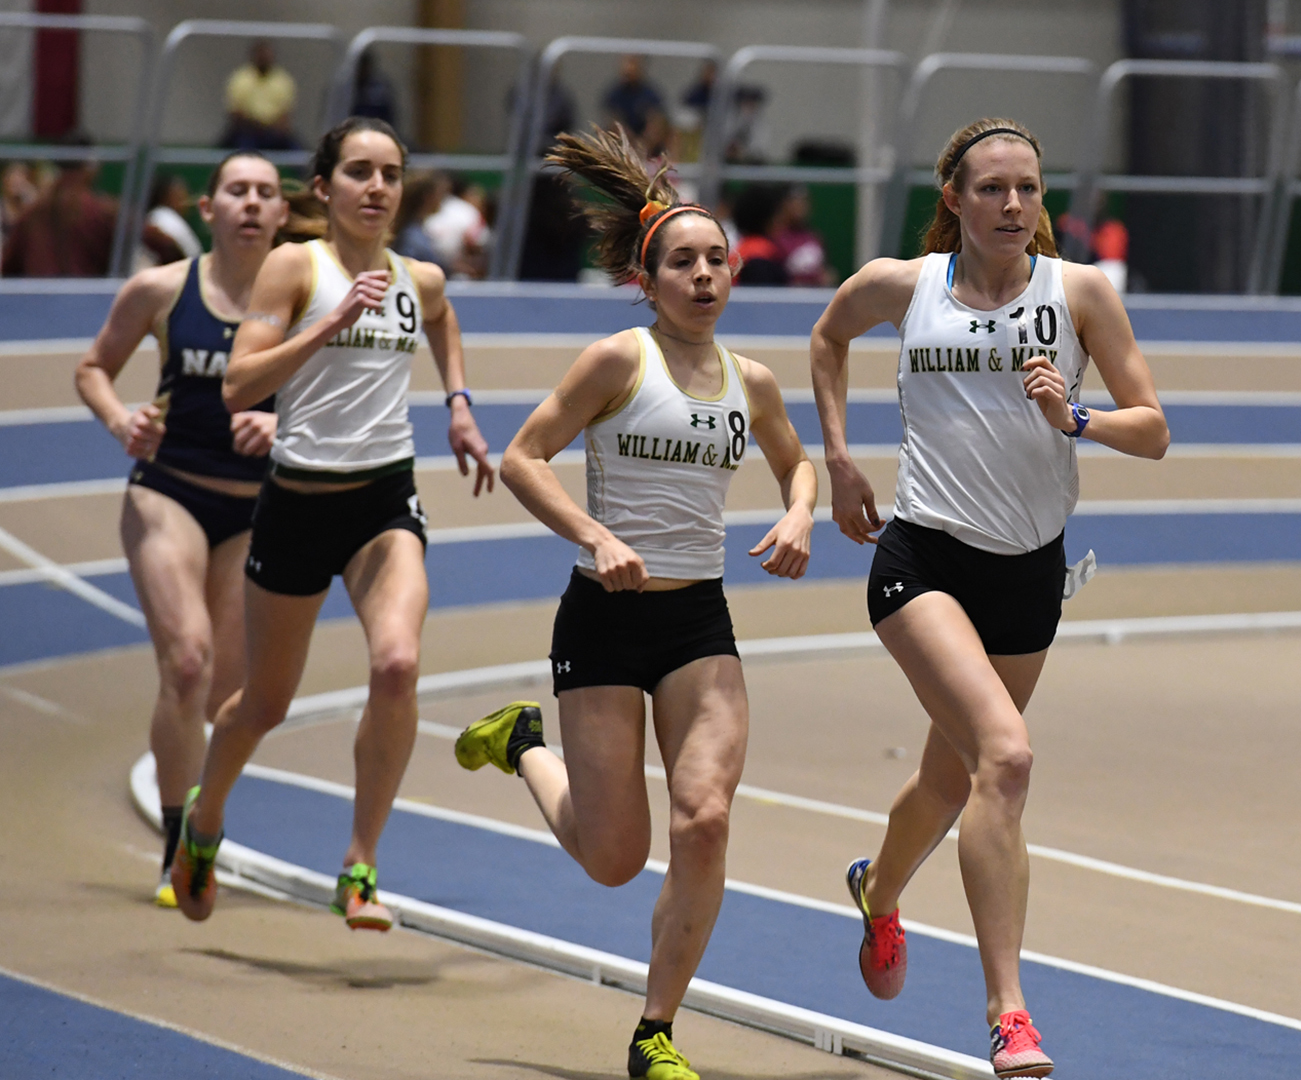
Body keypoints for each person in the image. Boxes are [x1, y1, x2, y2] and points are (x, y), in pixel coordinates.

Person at [453, 126, 816, 1080]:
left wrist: (801, 514)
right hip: (605, 621)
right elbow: (522, 456)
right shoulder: (618, 361)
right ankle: (524, 740)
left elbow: (797, 462)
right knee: (614, 858)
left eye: (716, 260)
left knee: (705, 820)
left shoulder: (755, 383)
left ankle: (655, 1030)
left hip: (699, 626)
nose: (704, 275)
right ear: (647, 281)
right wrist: (594, 536)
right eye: (682, 263)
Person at [810, 117, 1168, 1078]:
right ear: (955, 201)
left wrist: (1077, 416)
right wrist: (840, 461)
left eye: (1028, 188)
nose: (1012, 204)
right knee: (1004, 759)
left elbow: (1155, 429)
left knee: (948, 779)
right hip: (922, 560)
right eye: (992, 188)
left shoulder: (1080, 292)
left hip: (1028, 576)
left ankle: (879, 892)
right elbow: (826, 335)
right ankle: (1010, 1013)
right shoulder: (903, 285)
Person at [169, 117, 496, 931]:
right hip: (297, 504)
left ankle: (359, 865)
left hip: (383, 500)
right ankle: (203, 821)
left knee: (396, 665)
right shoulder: (293, 266)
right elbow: (240, 387)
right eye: (358, 171)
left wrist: (458, 403)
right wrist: (330, 322)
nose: (377, 187)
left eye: (390, 173)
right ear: (323, 188)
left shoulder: (417, 278)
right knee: (262, 704)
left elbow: (444, 316)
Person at [73, 152, 292, 908]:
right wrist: (118, 417)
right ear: (210, 207)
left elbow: (337, 398)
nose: (253, 204)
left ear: (284, 215)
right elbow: (93, 367)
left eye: (268, 193)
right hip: (169, 490)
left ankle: (200, 821)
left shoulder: (303, 300)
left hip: (257, 506)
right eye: (238, 191)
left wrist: (282, 422)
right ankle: (177, 849)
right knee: (190, 662)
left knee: (226, 689)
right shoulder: (163, 290)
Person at [1, 135, 117, 277]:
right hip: (83, 296)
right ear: (91, 166)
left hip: (39, 297)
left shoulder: (31, 214)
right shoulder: (104, 212)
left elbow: (8, 269)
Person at [222, 40, 299, 151]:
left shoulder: (282, 80)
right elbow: (236, 114)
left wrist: (272, 127)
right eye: (261, 55)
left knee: (299, 153)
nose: (264, 58)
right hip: (247, 131)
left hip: (274, 131)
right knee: (242, 149)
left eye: (267, 55)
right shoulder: (241, 78)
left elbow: (285, 115)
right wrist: (257, 125)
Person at [602, 55, 670, 156]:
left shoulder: (651, 94)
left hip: (647, 146)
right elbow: (614, 121)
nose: (629, 69)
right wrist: (629, 142)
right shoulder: (614, 95)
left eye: (632, 64)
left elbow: (655, 121)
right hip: (624, 143)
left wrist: (642, 145)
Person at [773, 185, 835, 286]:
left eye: (803, 201)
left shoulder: (815, 238)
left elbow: (827, 271)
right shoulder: (776, 237)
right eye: (795, 201)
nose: (800, 206)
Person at [139, 173, 204, 269]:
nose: (185, 198)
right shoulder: (162, 219)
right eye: (180, 193)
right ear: (166, 196)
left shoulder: (165, 218)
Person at [730, 183, 788, 285]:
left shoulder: (741, 249)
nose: (782, 220)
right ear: (768, 218)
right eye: (779, 214)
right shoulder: (759, 261)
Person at [348, 52, 397, 125]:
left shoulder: (380, 89)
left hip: (376, 129)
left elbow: (389, 116)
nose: (362, 71)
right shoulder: (344, 88)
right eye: (359, 67)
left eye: (365, 66)